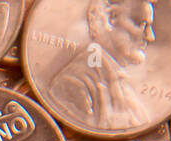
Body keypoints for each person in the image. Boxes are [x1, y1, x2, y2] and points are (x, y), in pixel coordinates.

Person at [50, 0, 157, 131]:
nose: (150, 36)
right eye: (141, 24)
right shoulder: (74, 83)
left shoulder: (122, 85)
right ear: (111, 18)